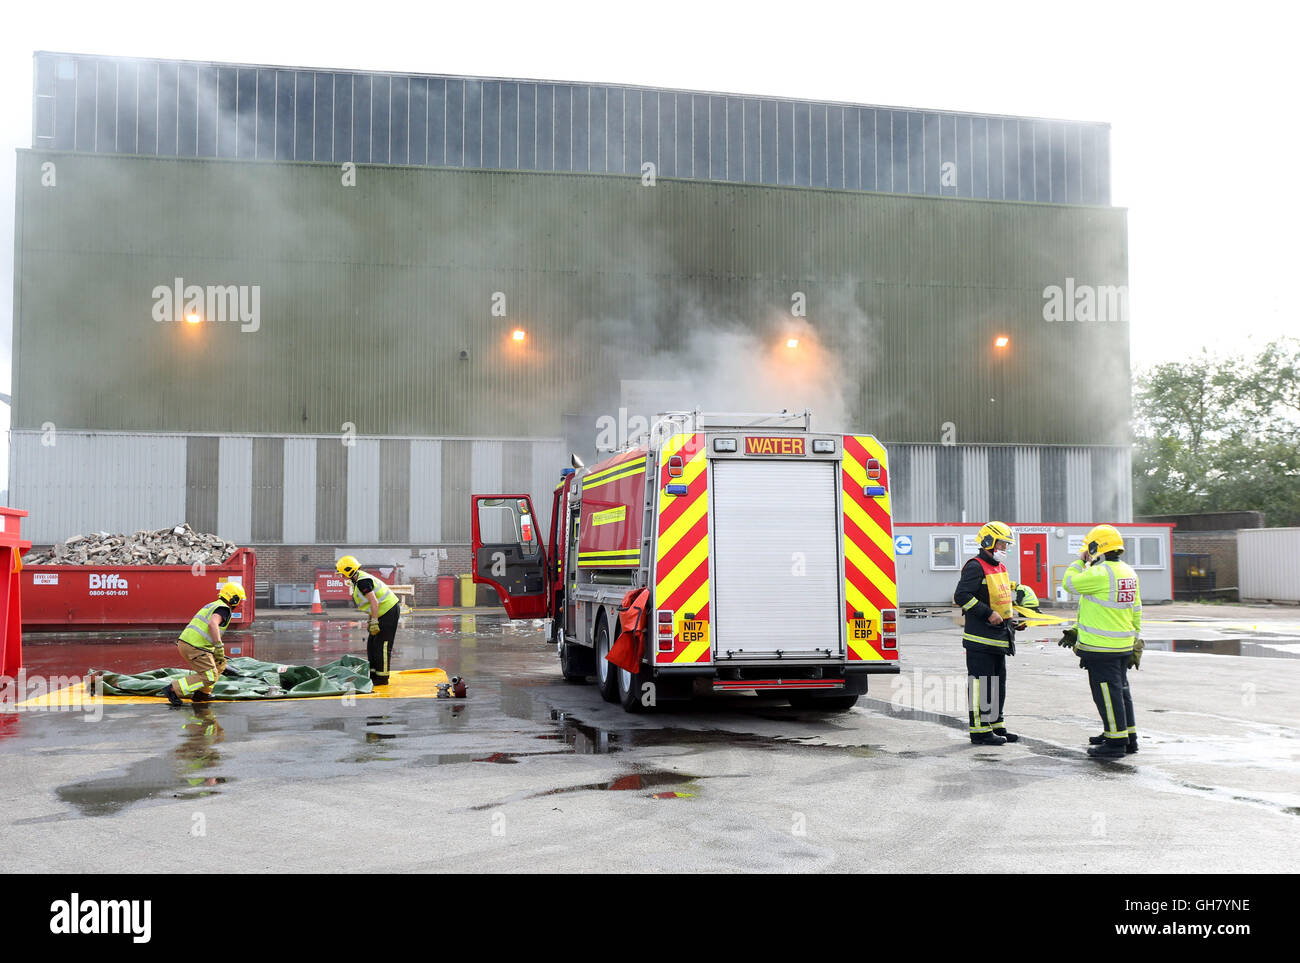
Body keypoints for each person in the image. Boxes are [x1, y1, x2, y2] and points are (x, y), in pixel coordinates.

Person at [1059, 524, 1142, 758]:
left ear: (1097, 548)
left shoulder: (1100, 573)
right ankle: (1127, 737)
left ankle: (1115, 744)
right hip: (1122, 646)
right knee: (1121, 692)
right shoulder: (1128, 572)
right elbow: (1136, 608)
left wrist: (1079, 561)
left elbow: (1069, 583)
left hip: (1102, 648)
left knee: (1106, 693)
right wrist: (1136, 640)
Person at [953, 521, 1023, 745]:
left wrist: (1014, 621)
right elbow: (962, 596)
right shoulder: (975, 566)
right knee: (981, 684)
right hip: (979, 639)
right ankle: (980, 732)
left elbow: (1002, 600)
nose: (1005, 548)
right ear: (987, 542)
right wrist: (987, 613)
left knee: (998, 683)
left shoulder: (1000, 568)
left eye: (1007, 545)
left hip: (999, 638)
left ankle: (996, 725)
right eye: (1002, 544)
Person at [161, 583, 245, 706]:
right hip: (195, 647)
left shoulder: (213, 605)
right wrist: (218, 645)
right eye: (240, 600)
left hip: (188, 644)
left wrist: (215, 651)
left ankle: (202, 694)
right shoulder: (224, 609)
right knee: (209, 676)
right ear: (234, 599)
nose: (241, 603)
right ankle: (173, 689)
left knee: (220, 664)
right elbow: (212, 624)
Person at [336, 555, 401, 686]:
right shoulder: (357, 579)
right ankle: (373, 674)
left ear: (349, 570)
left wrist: (374, 621)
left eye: (342, 574)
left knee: (382, 645)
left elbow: (374, 601)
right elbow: (372, 604)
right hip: (381, 613)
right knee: (372, 644)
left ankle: (382, 678)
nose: (341, 576)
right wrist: (371, 619)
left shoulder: (362, 582)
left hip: (388, 611)